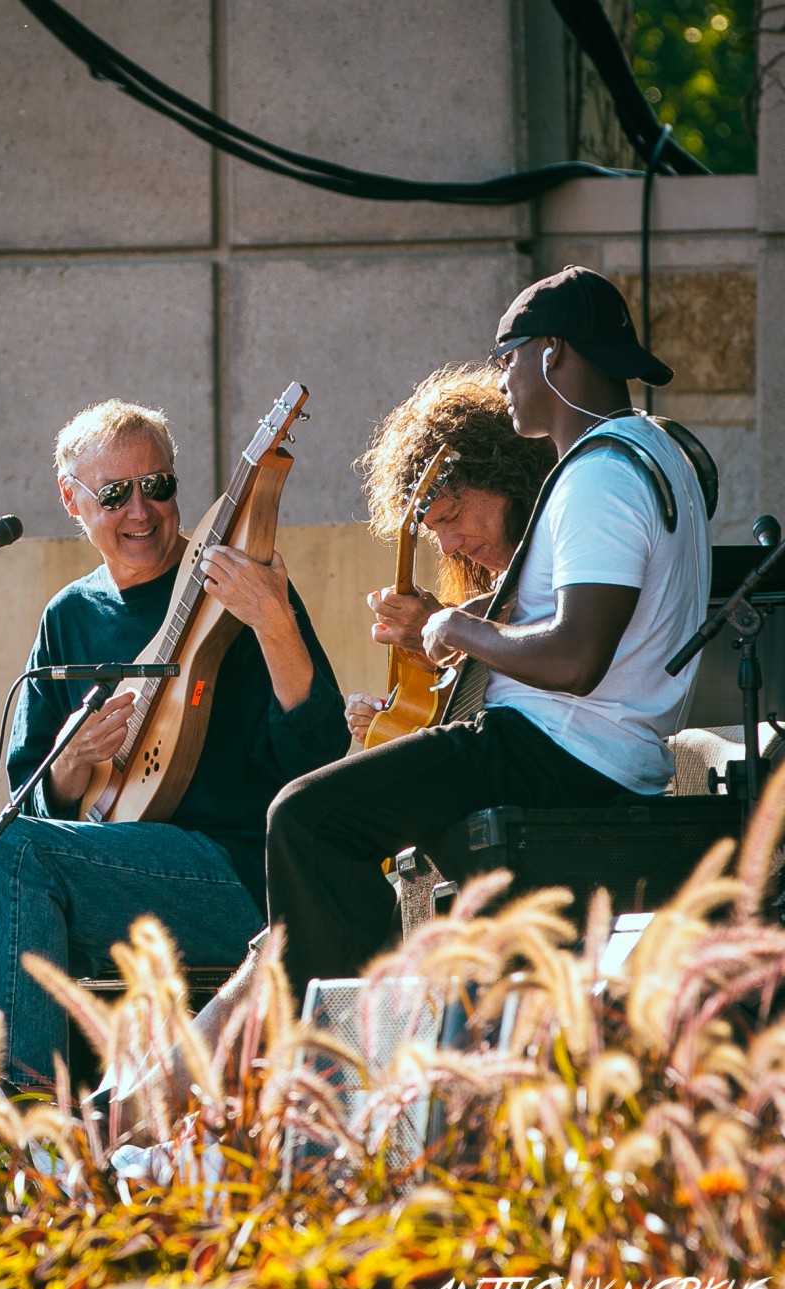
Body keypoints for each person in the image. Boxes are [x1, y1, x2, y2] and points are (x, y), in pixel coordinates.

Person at [0, 399, 350, 1113]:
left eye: (159, 486)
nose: (142, 512)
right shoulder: (68, 616)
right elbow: (30, 803)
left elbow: (317, 751)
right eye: (116, 493)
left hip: (234, 874)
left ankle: (16, 1118)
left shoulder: (234, 585)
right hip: (92, 868)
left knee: (16, 851)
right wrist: (65, 769)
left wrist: (274, 622)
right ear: (72, 499)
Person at [265, 265, 712, 1003]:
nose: (502, 379)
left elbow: (575, 654)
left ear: (556, 352)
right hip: (589, 749)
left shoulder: (602, 477)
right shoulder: (652, 454)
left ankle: (336, 1066)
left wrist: (452, 628)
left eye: (509, 357)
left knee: (305, 821)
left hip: (550, 752)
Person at [342, 364, 554, 745]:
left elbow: (548, 688)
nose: (448, 545)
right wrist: (402, 714)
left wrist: (441, 627)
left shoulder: (562, 560)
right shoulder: (491, 581)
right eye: (433, 530)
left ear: (509, 480)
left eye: (452, 516)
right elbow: (479, 711)